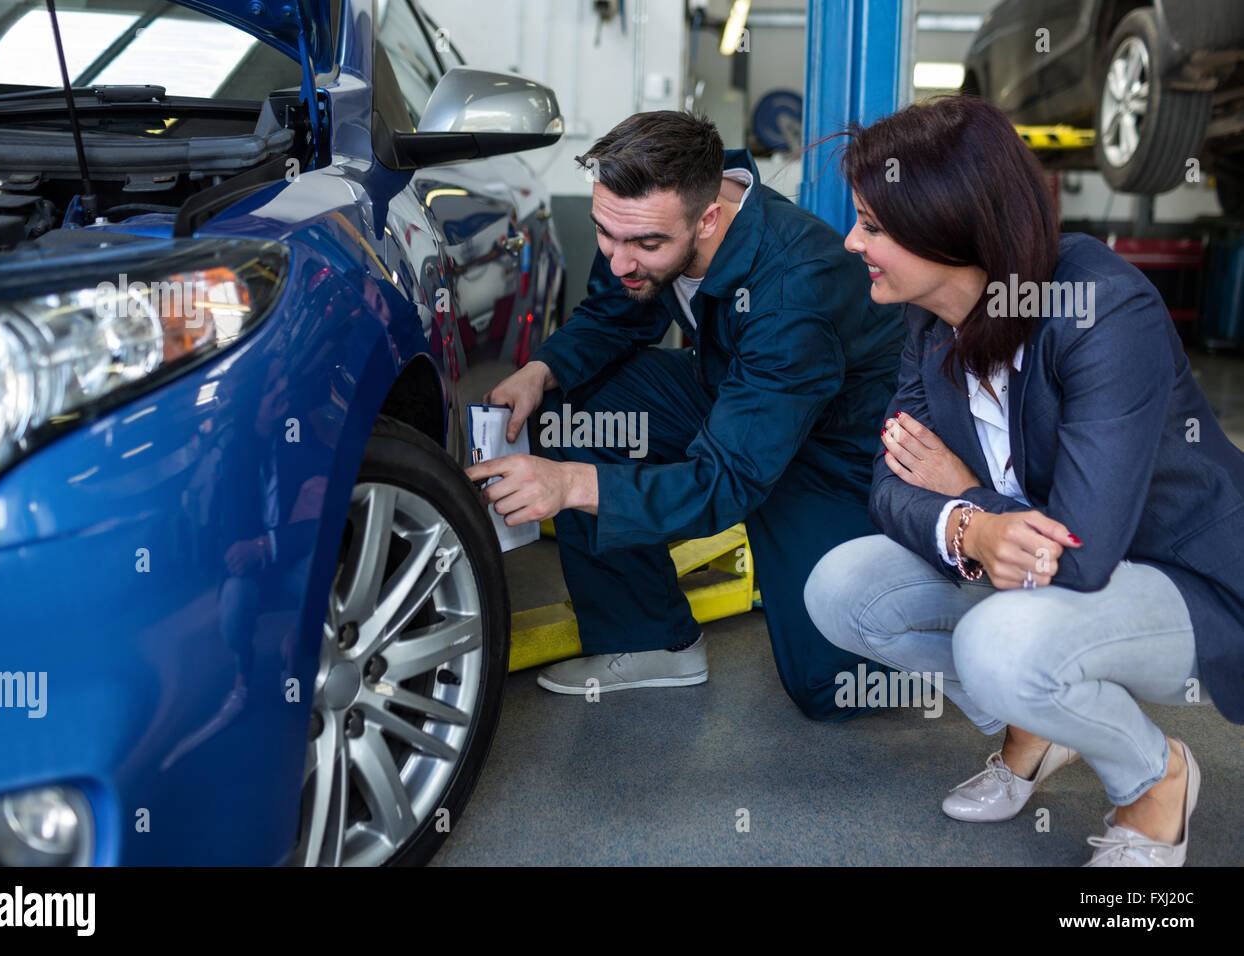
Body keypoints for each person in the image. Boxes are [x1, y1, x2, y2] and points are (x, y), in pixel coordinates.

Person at [804, 95, 1244, 865]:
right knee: (842, 589)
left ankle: (1155, 781)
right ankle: (1034, 728)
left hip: (1184, 579)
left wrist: (967, 494)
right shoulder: (928, 315)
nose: (852, 242)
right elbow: (889, 481)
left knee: (998, 648)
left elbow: (1080, 553)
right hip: (1041, 562)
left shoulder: (1104, 311)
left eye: (873, 226)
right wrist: (977, 526)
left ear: (950, 225)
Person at [464, 110, 905, 719]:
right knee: (569, 404)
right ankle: (648, 640)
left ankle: (946, 591)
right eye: (604, 233)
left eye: (645, 245)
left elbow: (728, 480)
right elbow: (616, 312)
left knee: (830, 689)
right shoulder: (642, 217)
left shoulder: (793, 291)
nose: (619, 261)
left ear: (709, 219)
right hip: (736, 392)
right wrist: (541, 371)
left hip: (834, 448)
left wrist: (569, 485)